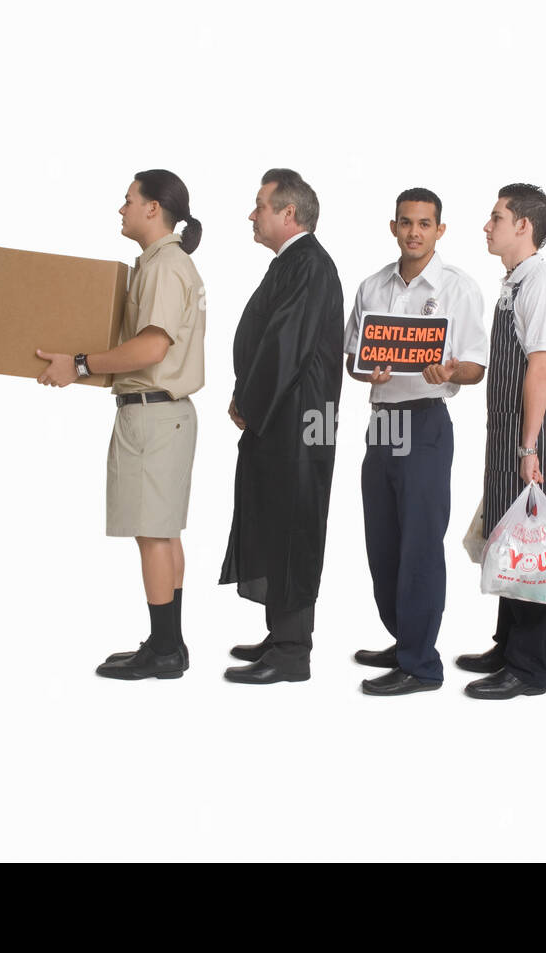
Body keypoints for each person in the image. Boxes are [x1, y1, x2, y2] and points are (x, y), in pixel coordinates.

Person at [36, 170, 205, 680]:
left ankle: (165, 652)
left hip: (153, 414)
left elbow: (152, 347)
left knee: (153, 535)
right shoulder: (167, 264)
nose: (121, 208)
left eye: (129, 200)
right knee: (164, 533)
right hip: (165, 414)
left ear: (154, 208)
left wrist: (81, 363)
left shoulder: (163, 267)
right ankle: (167, 641)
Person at [346, 188, 488, 696]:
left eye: (425, 224)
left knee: (420, 545)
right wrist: (369, 371)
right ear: (394, 227)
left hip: (426, 421)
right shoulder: (371, 286)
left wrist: (451, 370)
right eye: (406, 223)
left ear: (440, 230)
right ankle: (404, 638)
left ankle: (422, 665)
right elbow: (352, 359)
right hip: (382, 422)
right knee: (382, 540)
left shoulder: (459, 287)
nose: (414, 232)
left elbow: (475, 364)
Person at [221, 169, 344, 684]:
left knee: (294, 526)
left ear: (287, 213)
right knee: (276, 522)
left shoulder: (309, 265)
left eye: (260, 205)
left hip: (298, 423)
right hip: (284, 422)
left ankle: (292, 653)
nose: (252, 214)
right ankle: (281, 635)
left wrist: (248, 401)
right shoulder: (293, 263)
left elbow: (284, 346)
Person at [456, 184, 546, 699]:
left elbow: (539, 371)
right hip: (507, 435)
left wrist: (528, 449)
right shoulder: (513, 284)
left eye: (496, 217)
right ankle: (507, 645)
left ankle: (528, 668)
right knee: (509, 541)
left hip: (533, 435)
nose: (487, 225)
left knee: (533, 548)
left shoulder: (541, 284)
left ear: (523, 226)